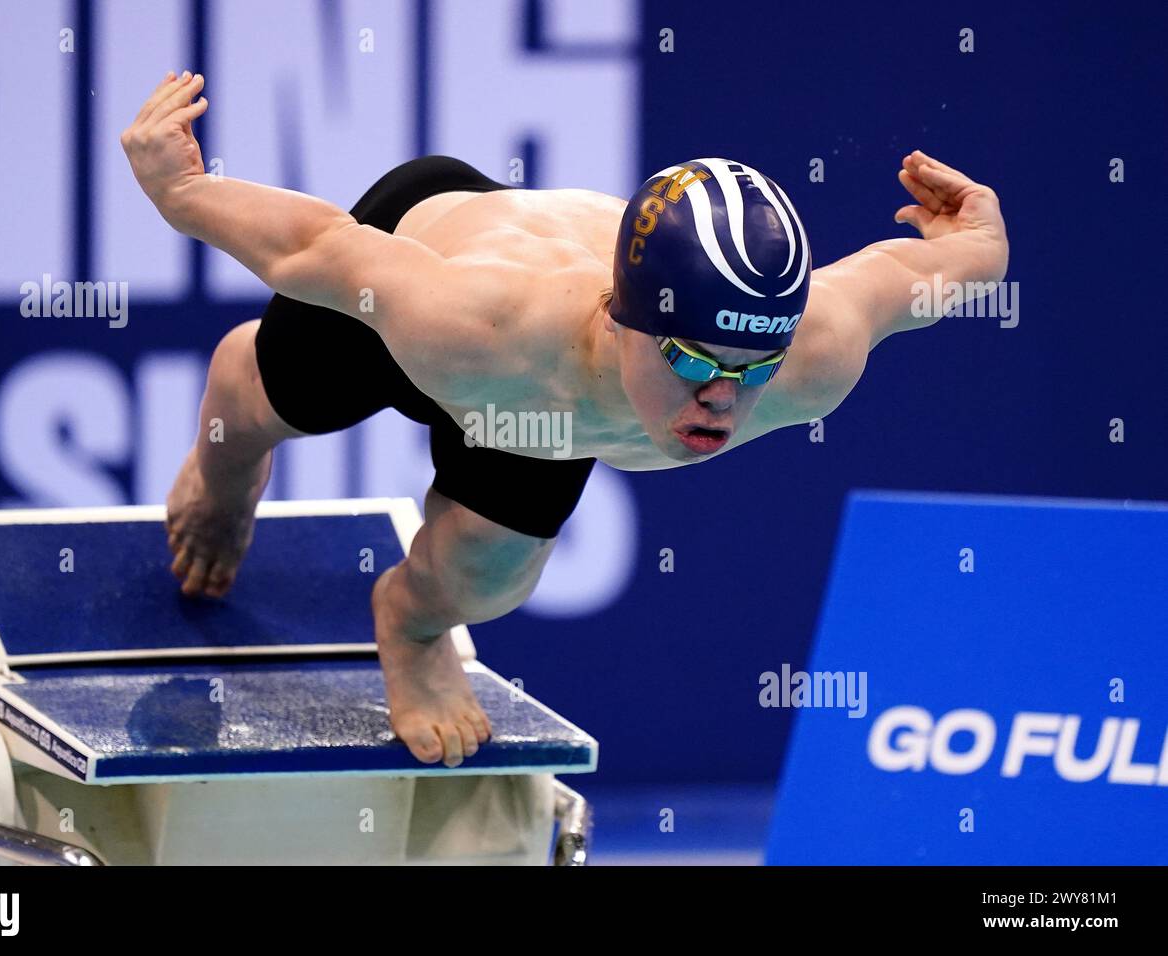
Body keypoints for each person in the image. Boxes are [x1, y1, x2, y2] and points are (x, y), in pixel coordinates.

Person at [122, 71, 1009, 767]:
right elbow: (318, 246)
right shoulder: (475, 319)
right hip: (429, 279)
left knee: (492, 576)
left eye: (752, 368)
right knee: (260, 407)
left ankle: (414, 626)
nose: (724, 402)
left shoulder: (815, 354)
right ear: (623, 317)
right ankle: (227, 476)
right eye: (694, 361)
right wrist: (184, 191)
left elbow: (921, 274)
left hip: (546, 418)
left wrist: (978, 238)